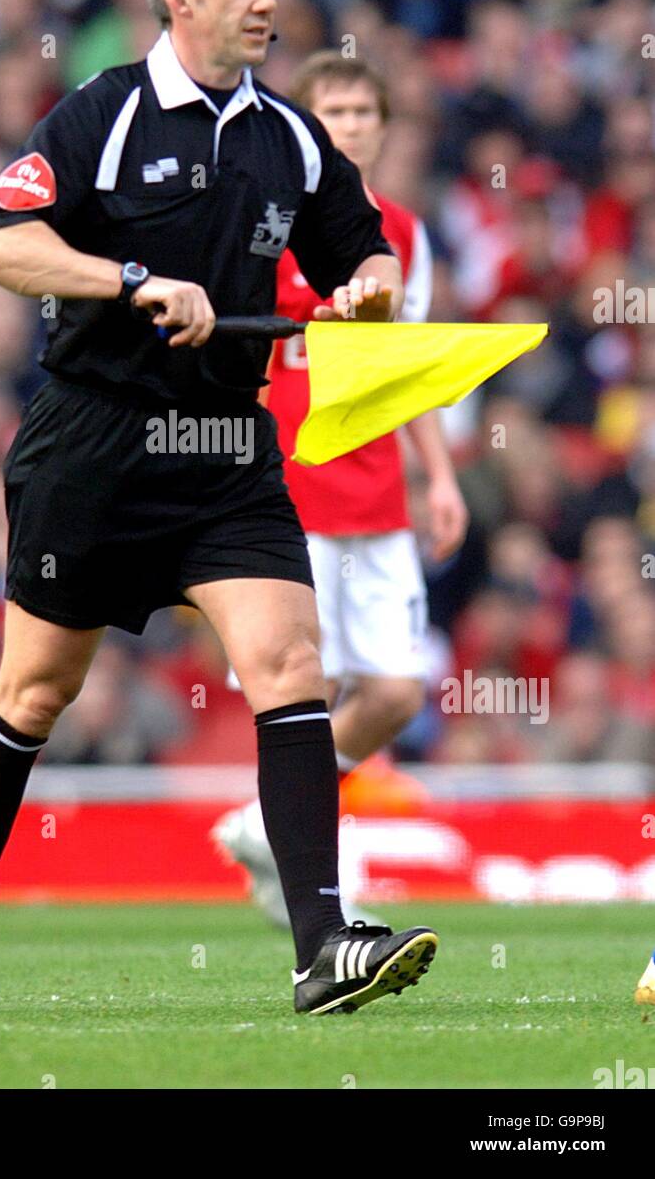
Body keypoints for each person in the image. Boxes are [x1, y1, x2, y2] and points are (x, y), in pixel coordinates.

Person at [0, 0, 438, 1016]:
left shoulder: (287, 134)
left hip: (226, 448)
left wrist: (373, 281)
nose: (267, 2)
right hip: (93, 446)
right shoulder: (100, 114)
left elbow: (363, 244)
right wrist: (134, 280)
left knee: (292, 669)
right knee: (34, 691)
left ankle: (321, 945)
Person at [214, 52, 468, 924]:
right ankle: (313, 888)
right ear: (307, 126)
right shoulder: (266, 227)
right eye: (336, 110)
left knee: (395, 691)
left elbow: (410, 370)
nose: (352, 124)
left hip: (378, 495)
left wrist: (438, 477)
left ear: (385, 126)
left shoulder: (401, 234)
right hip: (288, 490)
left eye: (365, 109)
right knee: (303, 689)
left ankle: (260, 821)